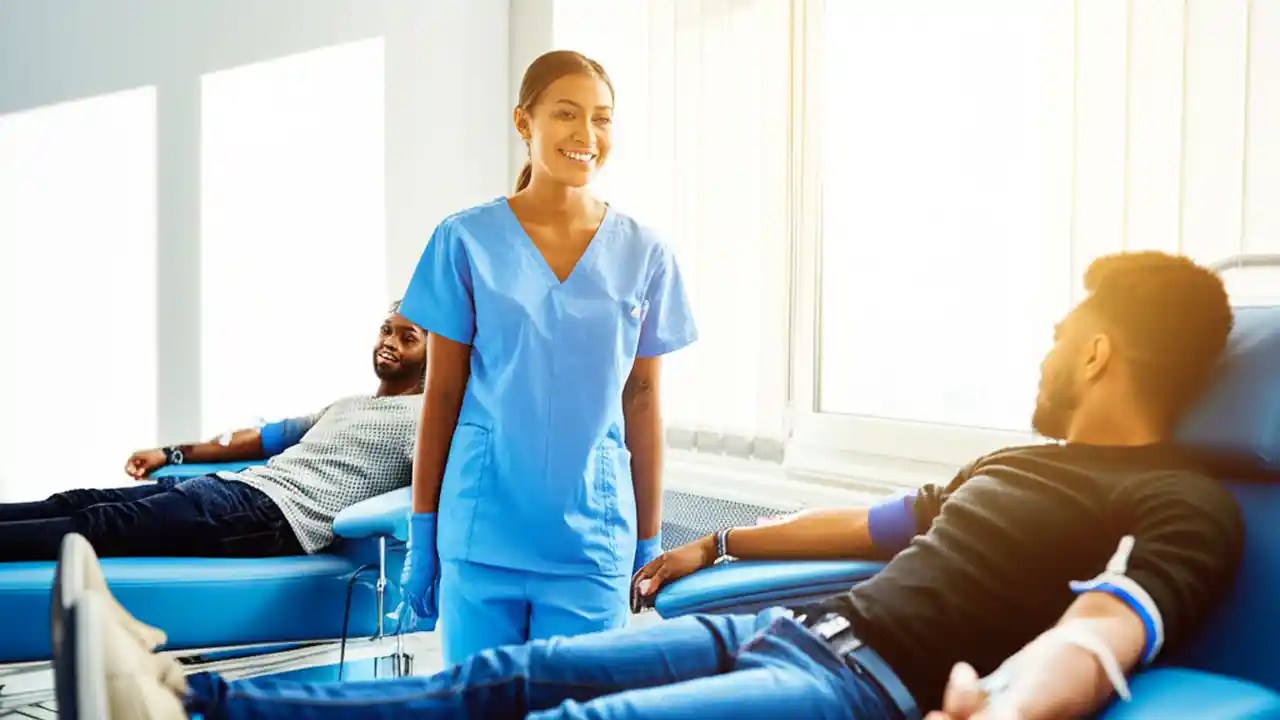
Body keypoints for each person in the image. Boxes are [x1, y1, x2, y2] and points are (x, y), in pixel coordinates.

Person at [60, 251, 1243, 719]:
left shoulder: (1179, 504)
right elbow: (880, 523)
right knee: (505, 676)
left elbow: (1100, 633)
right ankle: (196, 709)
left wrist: (1005, 712)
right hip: (779, 628)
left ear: (1097, 351)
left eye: (1058, 331)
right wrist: (710, 553)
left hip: (863, 688)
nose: (1043, 349)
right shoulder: (1013, 463)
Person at [394, 49, 698, 662]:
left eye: (602, 118)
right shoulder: (465, 240)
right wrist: (422, 533)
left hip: (590, 545)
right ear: (523, 123)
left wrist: (647, 539)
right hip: (481, 536)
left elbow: (642, 402)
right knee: (477, 707)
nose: (586, 134)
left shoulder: (645, 252)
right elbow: (443, 395)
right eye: (566, 113)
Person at [0, 303, 427, 561]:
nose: (389, 341)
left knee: (101, 523)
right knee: (77, 501)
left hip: (275, 517)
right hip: (235, 490)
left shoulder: (425, 417)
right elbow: (263, 438)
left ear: (435, 357)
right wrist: (170, 453)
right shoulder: (348, 404)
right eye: (386, 330)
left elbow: (438, 483)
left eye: (409, 338)